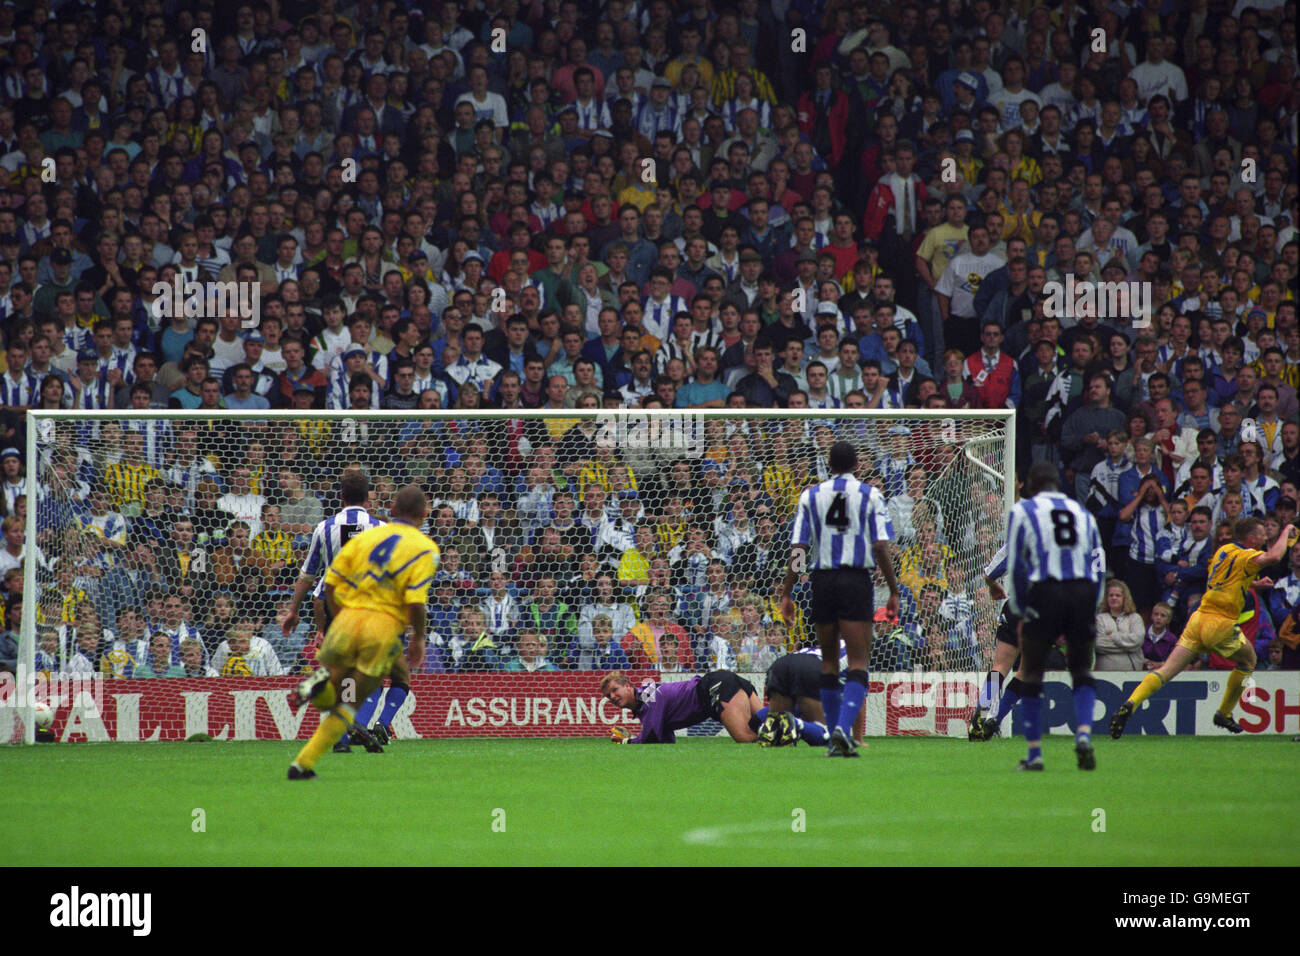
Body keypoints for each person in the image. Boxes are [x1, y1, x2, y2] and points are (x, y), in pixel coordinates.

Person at [288, 484, 439, 779]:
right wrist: (418, 638)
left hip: (346, 617)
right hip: (380, 627)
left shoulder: (367, 537)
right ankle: (353, 720)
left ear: (393, 510)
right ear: (425, 513)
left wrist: (339, 614)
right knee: (362, 693)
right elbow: (415, 601)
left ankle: (301, 763)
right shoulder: (425, 548)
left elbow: (329, 583)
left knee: (343, 680)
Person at [1111, 517, 1297, 739]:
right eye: (1261, 534)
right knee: (1248, 661)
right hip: (1219, 623)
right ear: (1250, 538)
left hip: (1198, 618)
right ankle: (1224, 713)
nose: (1265, 537)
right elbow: (1275, 556)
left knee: (1166, 671)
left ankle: (1131, 703)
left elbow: (1222, 582)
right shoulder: (1247, 556)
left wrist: (1253, 584)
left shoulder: (1223, 550)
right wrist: (1286, 531)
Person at [779, 440, 898, 757]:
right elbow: (880, 546)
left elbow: (799, 549)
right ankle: (845, 729)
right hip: (856, 579)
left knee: (829, 663)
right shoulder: (871, 494)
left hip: (822, 580)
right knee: (858, 661)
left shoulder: (811, 495)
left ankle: (834, 738)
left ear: (828, 464)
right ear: (857, 463)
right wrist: (894, 589)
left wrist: (787, 590)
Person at [1005, 461, 1106, 771]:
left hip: (1045, 591)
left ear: (1031, 485)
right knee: (1081, 669)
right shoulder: (1082, 513)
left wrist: (1021, 609)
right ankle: (1085, 735)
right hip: (1081, 592)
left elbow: (1017, 564)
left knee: (1032, 671)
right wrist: (1093, 602)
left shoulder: (1022, 511)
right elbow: (1098, 561)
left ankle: (1035, 754)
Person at [283, 468, 389, 753]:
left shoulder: (324, 527)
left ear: (340, 496)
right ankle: (359, 723)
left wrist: (293, 610)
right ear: (368, 497)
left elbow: (307, 575)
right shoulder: (380, 529)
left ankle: (341, 738)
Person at [600, 668, 765, 744]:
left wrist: (627, 742)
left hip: (713, 687)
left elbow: (651, 735)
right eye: (608, 696)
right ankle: (791, 718)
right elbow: (666, 739)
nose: (612, 697)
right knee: (768, 724)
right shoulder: (644, 707)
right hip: (719, 682)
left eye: (615, 690)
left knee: (745, 737)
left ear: (628, 686)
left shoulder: (647, 695)